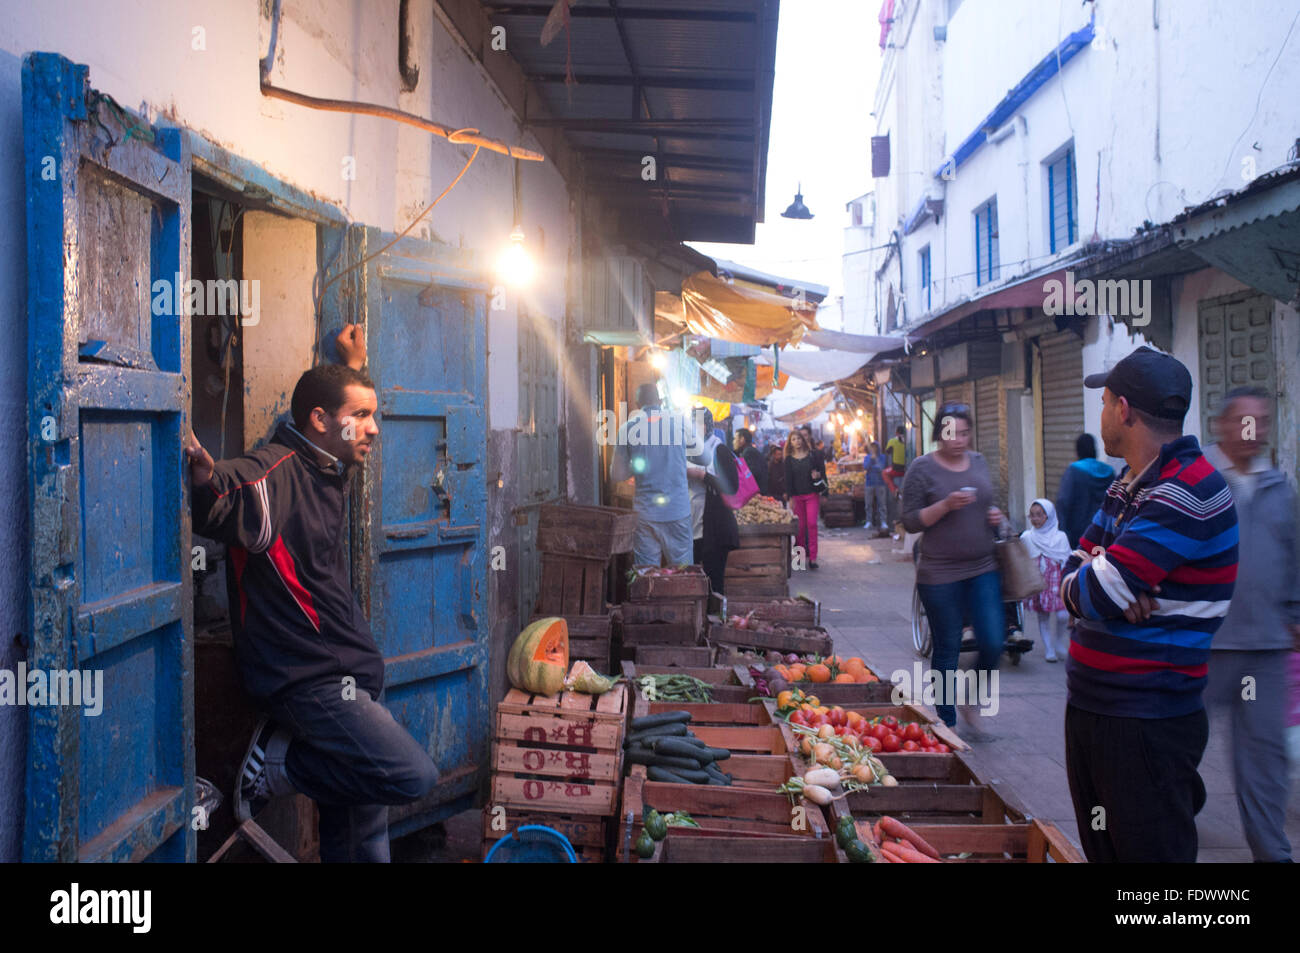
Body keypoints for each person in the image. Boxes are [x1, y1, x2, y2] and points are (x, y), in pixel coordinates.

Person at [185, 325, 439, 863]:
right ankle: (274, 767)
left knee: (362, 838)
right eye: (362, 417)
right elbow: (226, 496)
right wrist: (205, 475)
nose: (374, 430)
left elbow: (333, 406)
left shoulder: (326, 463)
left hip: (351, 675)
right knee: (411, 775)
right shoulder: (276, 474)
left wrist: (354, 364)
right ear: (320, 421)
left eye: (374, 415)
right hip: (308, 681)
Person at [1060, 347, 1238, 863]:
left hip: (1145, 719)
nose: (1102, 413)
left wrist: (1102, 583)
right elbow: (1072, 573)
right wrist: (1105, 584)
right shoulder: (1128, 484)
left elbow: (1092, 592)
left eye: (1105, 400)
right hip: (1098, 709)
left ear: (1123, 410)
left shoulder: (1190, 491)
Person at [1203, 386, 1298, 862]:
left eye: (1261, 421)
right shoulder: (1199, 480)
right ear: (1221, 425)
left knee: (1263, 762)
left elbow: (1292, 561)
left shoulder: (1279, 487)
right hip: (1202, 649)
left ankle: (1272, 854)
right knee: (1175, 756)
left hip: (1264, 650)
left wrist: (1295, 617)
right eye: (1244, 420)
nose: (1253, 430)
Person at [900, 403, 1007, 733]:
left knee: (993, 640)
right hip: (940, 573)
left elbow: (991, 502)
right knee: (948, 646)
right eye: (951, 433)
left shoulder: (978, 461)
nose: (958, 439)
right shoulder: (922, 468)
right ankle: (945, 722)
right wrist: (946, 504)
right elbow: (909, 521)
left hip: (983, 566)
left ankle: (971, 697)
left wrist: (997, 517)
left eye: (964, 432)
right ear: (938, 434)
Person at [610, 382, 695, 567]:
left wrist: (637, 463)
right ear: (661, 400)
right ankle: (684, 597)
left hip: (646, 514)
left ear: (637, 404)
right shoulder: (680, 423)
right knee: (684, 574)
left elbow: (616, 474)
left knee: (646, 575)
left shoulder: (628, 428)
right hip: (678, 512)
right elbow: (704, 459)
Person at [689, 409, 741, 594]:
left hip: (714, 527)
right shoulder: (689, 449)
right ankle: (699, 620)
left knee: (714, 581)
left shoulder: (719, 449)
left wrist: (703, 475)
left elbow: (731, 486)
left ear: (708, 426)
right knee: (693, 581)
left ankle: (716, 619)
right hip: (692, 525)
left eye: (699, 424)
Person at [1021, 499, 1071, 663]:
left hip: (1057, 582)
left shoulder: (1060, 537)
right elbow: (1021, 558)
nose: (1035, 519)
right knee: (1043, 617)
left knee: (1063, 615)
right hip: (1039, 582)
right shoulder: (1027, 537)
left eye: (1039, 515)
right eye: (1032, 515)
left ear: (1048, 516)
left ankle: (1058, 642)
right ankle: (1049, 649)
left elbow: (1067, 559)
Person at [1055, 434, 1115, 547]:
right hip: (1103, 531)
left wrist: (1063, 531)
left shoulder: (1074, 471)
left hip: (1078, 533)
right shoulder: (1109, 472)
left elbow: (1063, 502)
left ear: (1078, 450)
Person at [783, 429, 825, 569]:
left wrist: (818, 478)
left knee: (812, 524)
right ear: (790, 442)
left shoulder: (813, 456)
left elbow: (822, 473)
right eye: (794, 439)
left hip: (812, 494)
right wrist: (790, 497)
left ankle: (813, 558)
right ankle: (799, 559)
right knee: (799, 529)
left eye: (799, 438)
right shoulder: (788, 459)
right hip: (797, 497)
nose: (797, 442)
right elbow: (788, 480)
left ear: (803, 440)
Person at [863, 441, 890, 535]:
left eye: (875, 447)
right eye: (872, 447)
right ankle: (869, 521)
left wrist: (875, 463)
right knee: (868, 504)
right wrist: (871, 460)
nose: (873, 449)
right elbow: (865, 467)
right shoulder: (867, 457)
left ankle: (883, 522)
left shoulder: (882, 457)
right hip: (869, 483)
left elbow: (882, 467)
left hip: (880, 483)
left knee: (882, 503)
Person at [733, 427, 769, 495]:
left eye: (735, 438)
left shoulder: (748, 452)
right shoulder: (749, 450)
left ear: (742, 439)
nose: (733, 442)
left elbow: (751, 474)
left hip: (757, 493)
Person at [883, 425, 908, 496]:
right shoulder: (908, 440)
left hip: (897, 469)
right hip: (907, 468)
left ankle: (895, 490)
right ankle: (898, 489)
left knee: (884, 473)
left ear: (896, 433)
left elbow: (887, 452)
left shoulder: (892, 441)